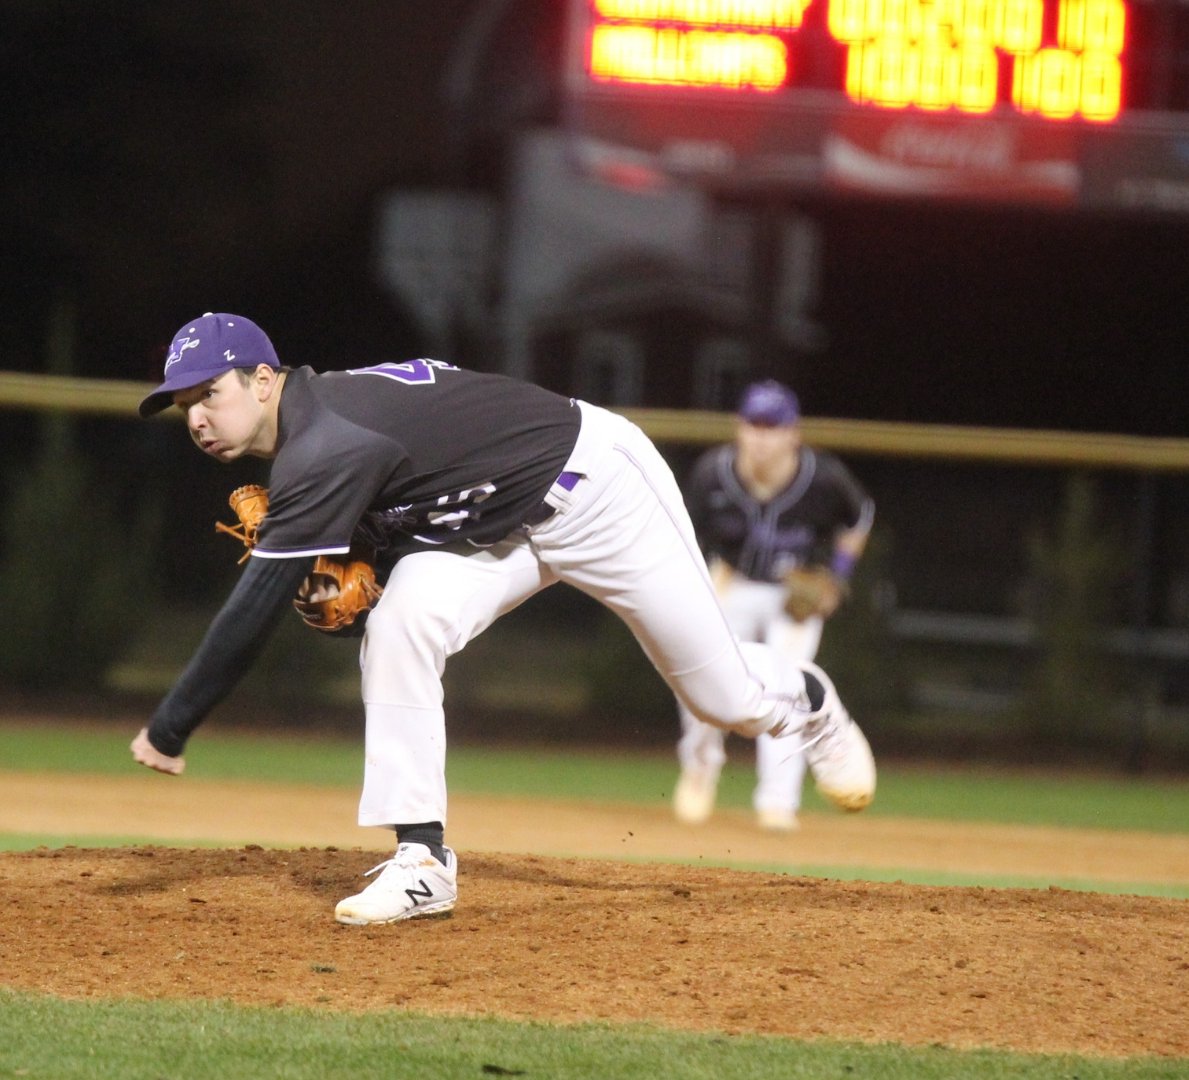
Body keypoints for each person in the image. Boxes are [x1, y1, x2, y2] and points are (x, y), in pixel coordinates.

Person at [128, 313, 876, 926]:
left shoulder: (325, 443)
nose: (196, 418)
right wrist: (353, 607)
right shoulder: (317, 437)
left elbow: (254, 608)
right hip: (492, 531)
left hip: (598, 490)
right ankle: (422, 862)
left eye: (208, 394)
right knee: (400, 628)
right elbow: (382, 575)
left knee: (724, 700)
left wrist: (172, 724)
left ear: (264, 381)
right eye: (183, 404)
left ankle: (806, 702)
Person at [671, 380, 874, 832]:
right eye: (754, 425)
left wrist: (838, 576)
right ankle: (699, 772)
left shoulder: (821, 477)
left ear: (792, 433)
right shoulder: (713, 472)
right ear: (740, 429)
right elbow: (681, 531)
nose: (762, 436)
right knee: (704, 681)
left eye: (773, 426)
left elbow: (859, 516)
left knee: (791, 687)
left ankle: (777, 802)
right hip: (730, 583)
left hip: (791, 596)